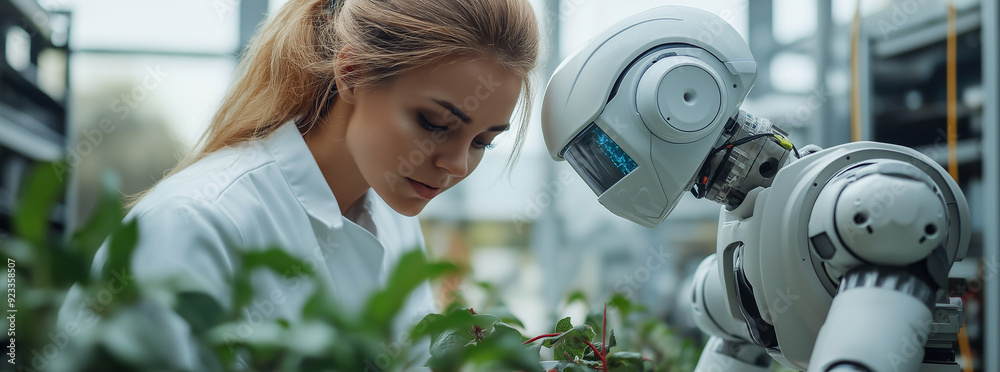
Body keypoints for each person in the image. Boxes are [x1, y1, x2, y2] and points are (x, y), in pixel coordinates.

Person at [56, 0, 539, 369]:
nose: (455, 164)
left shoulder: (394, 221)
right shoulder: (194, 222)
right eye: (434, 123)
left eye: (484, 142)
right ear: (352, 73)